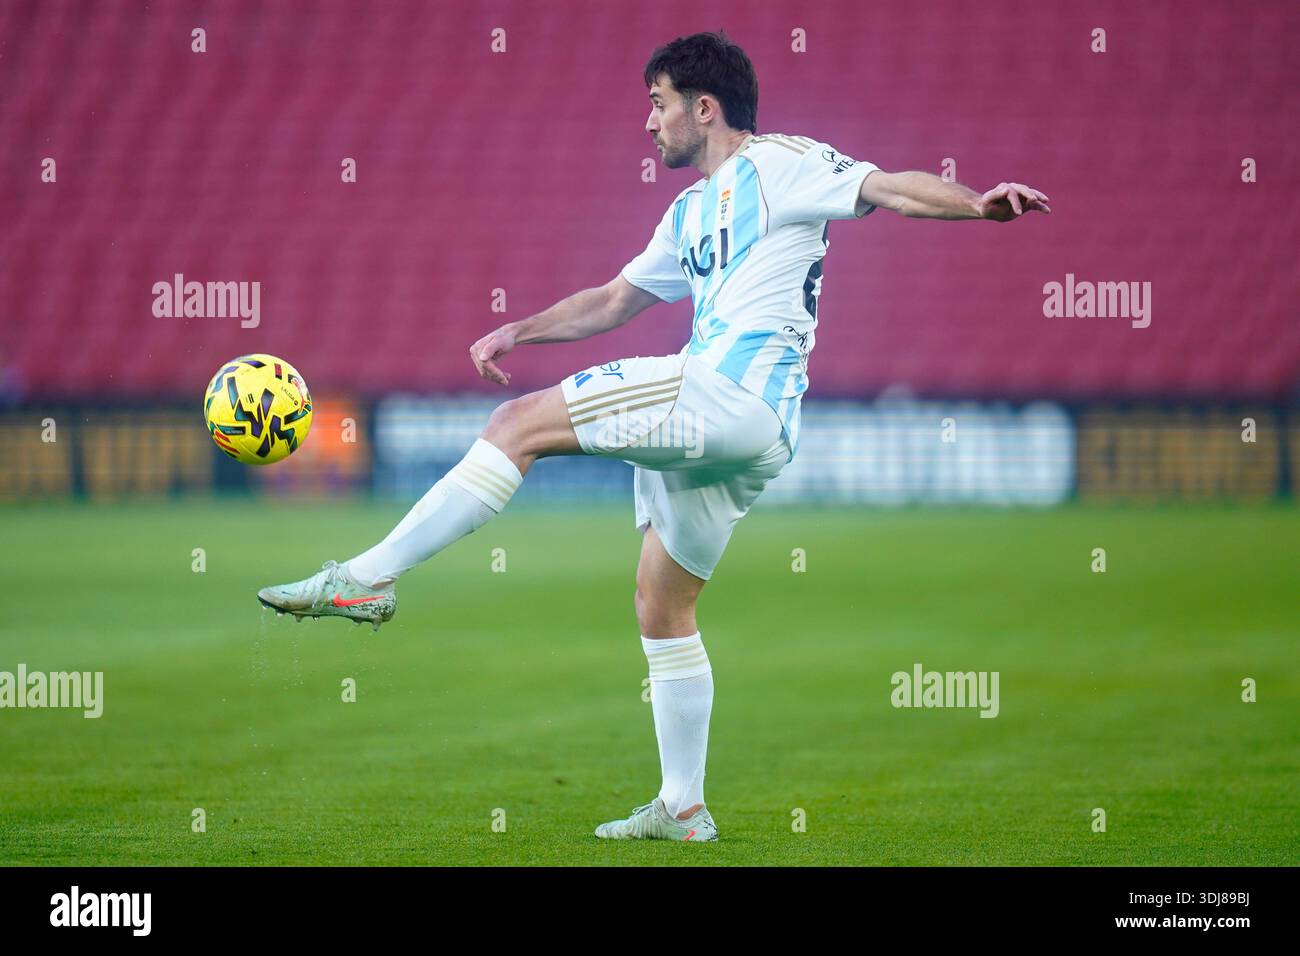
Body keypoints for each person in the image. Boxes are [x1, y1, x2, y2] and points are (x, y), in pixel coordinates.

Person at [257, 30, 1049, 842]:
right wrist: (519, 331)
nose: (650, 123)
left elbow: (889, 188)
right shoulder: (688, 212)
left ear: (704, 109)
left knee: (513, 425)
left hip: (728, 392)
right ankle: (683, 806)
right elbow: (614, 300)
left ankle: (367, 577)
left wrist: (977, 202)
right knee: (662, 606)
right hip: (749, 429)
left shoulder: (781, 164)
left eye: (658, 104)